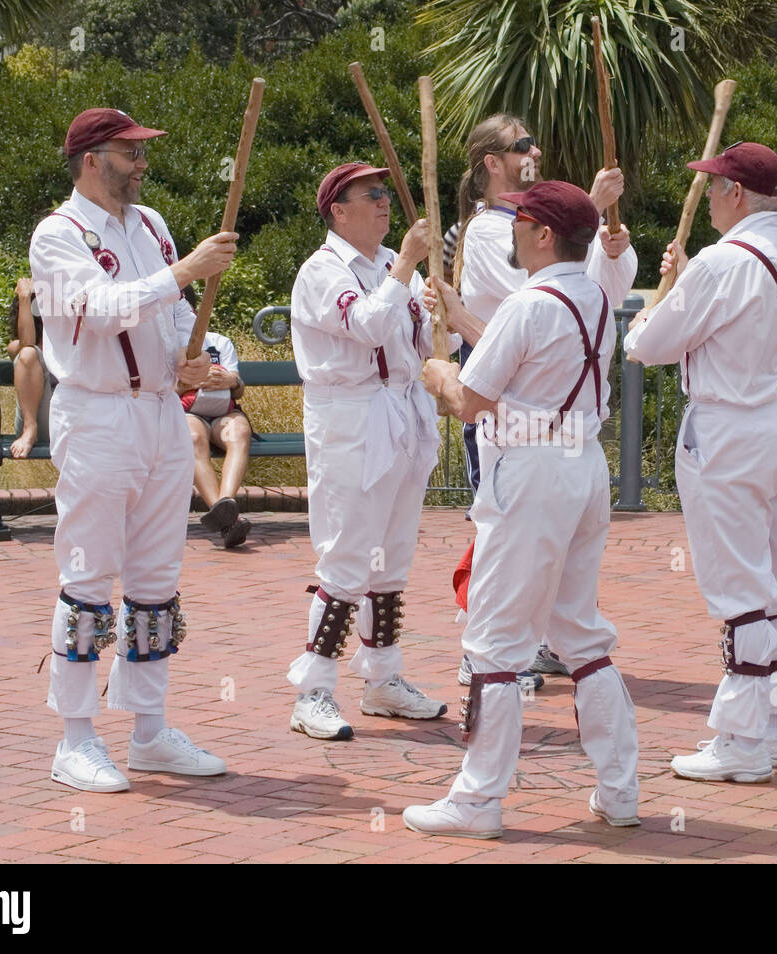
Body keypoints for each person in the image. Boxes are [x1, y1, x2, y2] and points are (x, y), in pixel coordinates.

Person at [405, 180, 640, 838]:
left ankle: (477, 801)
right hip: (581, 466)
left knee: (494, 642)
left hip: (530, 474)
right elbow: (527, 349)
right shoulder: (591, 293)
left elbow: (472, 400)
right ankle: (620, 789)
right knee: (580, 634)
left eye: (522, 222)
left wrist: (436, 370)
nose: (511, 230)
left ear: (543, 235)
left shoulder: (529, 303)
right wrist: (457, 311)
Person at [30, 107, 238, 792]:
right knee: (88, 580)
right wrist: (186, 271)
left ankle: (148, 731)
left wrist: (195, 359)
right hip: (97, 416)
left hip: (159, 414)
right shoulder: (57, 235)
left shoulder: (150, 226)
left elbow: (177, 318)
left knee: (155, 585)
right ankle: (76, 739)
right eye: (130, 152)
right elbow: (100, 310)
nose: (142, 162)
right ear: (92, 159)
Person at [624, 144, 777, 782]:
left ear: (737, 193)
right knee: (770, 581)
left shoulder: (723, 261)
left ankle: (741, 743)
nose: (707, 196)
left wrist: (670, 288)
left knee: (740, 589)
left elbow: (645, 345)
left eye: (713, 187)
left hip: (734, 428)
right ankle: (772, 725)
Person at [443, 113, 637, 683]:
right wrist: (591, 210)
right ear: (492, 163)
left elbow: (585, 295)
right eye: (522, 144)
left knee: (550, 557)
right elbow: (540, 308)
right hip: (515, 421)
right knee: (506, 551)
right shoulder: (486, 232)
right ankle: (494, 648)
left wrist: (606, 246)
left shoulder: (540, 253)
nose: (536, 149)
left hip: (555, 433)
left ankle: (533, 646)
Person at [284, 161, 448, 742]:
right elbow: (370, 328)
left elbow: (420, 343)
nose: (383, 202)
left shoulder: (386, 266)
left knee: (391, 554)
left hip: (402, 412)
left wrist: (439, 311)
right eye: (370, 195)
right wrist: (406, 265)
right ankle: (315, 691)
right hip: (350, 418)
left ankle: (382, 679)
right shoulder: (323, 271)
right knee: (348, 554)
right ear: (338, 210)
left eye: (384, 192)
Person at [181, 324, 251, 549]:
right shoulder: (168, 344)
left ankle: (225, 507)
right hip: (189, 412)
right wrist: (190, 383)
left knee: (239, 431)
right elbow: (160, 389)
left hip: (223, 412)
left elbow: (238, 388)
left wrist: (230, 381)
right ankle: (229, 522)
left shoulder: (220, 342)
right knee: (192, 438)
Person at [5, 277, 56, 459]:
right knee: (28, 353)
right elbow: (27, 342)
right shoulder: (17, 346)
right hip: (43, 424)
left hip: (73, 419)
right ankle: (29, 429)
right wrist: (25, 297)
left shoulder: (70, 342)